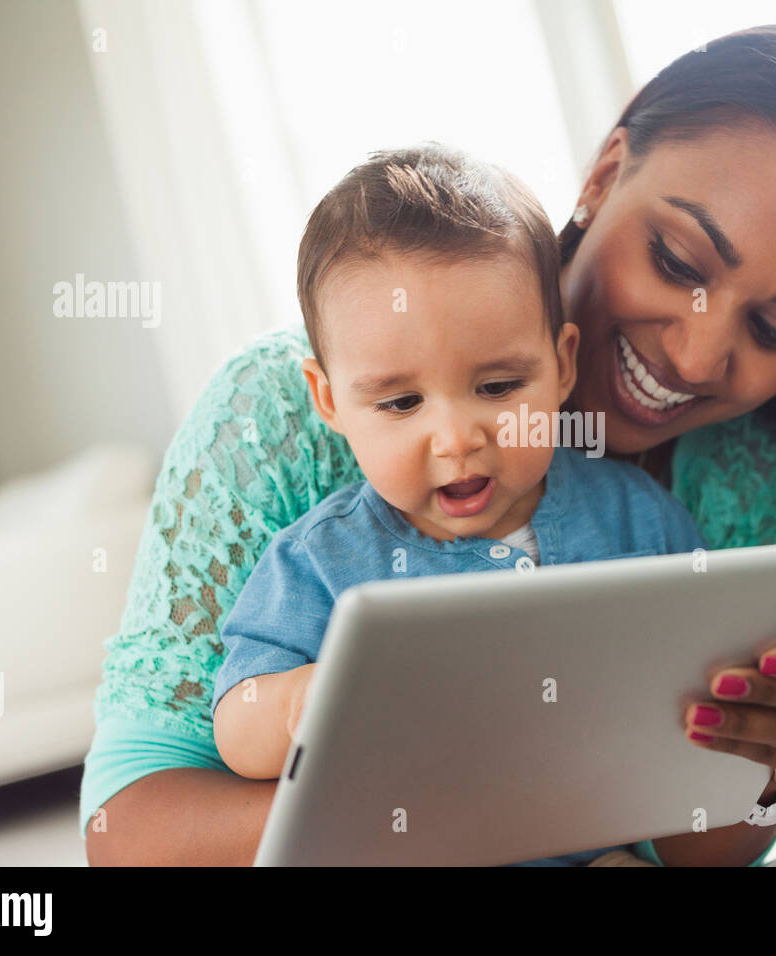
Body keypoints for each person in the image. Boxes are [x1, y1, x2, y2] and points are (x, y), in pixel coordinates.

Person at [82, 25, 776, 866]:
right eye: (678, 256)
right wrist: (435, 811)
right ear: (604, 175)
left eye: (775, 329)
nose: (694, 349)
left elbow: (693, 846)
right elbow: (127, 833)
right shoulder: (288, 429)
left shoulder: (727, 483)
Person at [211, 142, 716, 865]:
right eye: (401, 401)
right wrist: (300, 704)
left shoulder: (635, 519)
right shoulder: (321, 561)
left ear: (562, 364)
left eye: (499, 387)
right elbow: (236, 721)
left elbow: (708, 661)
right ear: (329, 401)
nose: (455, 438)